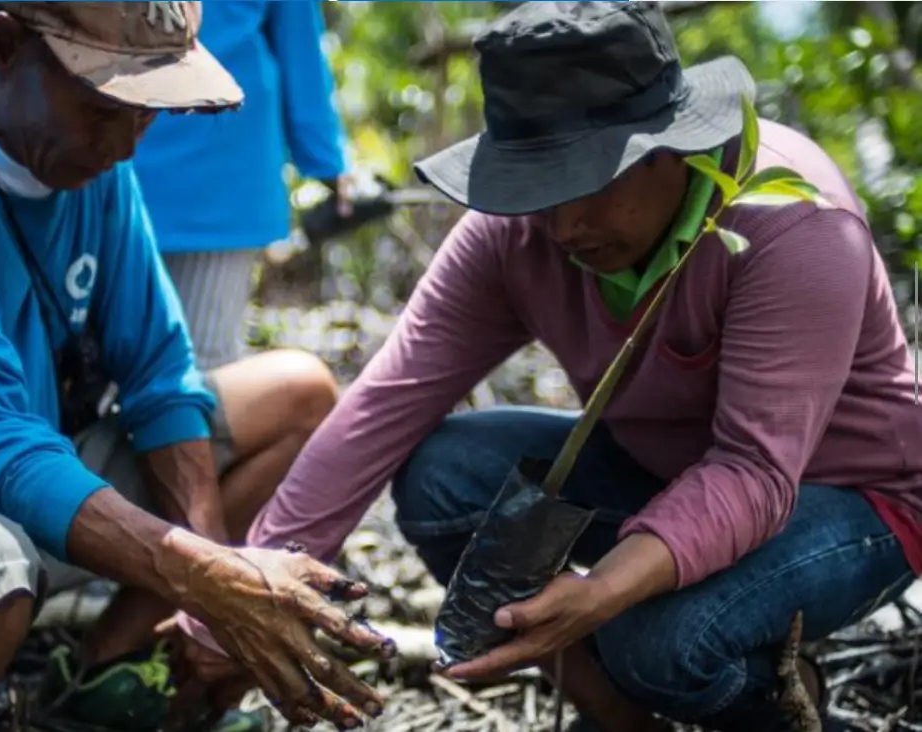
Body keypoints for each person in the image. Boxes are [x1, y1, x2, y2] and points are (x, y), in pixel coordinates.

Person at [170, 3, 922, 731]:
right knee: (445, 476)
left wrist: (605, 592)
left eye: (585, 185)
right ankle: (622, 721)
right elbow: (385, 405)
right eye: (536, 188)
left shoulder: (789, 226)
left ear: (670, 147)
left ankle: (785, 704)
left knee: (655, 639)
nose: (562, 226)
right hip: (663, 474)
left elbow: (754, 474)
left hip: (849, 498)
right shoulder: (520, 234)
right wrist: (247, 596)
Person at [0, 4, 393, 732]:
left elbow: (160, 375)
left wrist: (204, 580)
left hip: (25, 502)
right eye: (102, 108)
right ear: (7, 47)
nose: (123, 145)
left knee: (298, 395)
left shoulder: (92, 170)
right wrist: (207, 576)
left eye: (147, 115)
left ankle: (106, 668)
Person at [130, 0, 350, 370]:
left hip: (204, 175)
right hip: (204, 174)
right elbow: (300, 49)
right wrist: (329, 165)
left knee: (175, 366)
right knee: (200, 364)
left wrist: (327, 163)